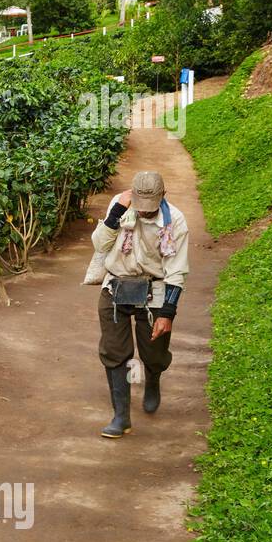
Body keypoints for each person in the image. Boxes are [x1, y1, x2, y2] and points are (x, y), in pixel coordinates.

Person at [89, 170, 189, 438]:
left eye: (150, 208)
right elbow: (99, 245)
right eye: (139, 206)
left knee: (154, 351)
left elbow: (177, 271)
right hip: (116, 285)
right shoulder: (119, 206)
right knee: (114, 351)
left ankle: (153, 379)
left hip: (153, 289)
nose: (144, 213)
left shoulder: (175, 221)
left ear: (163, 197)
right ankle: (121, 416)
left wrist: (167, 313)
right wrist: (115, 215)